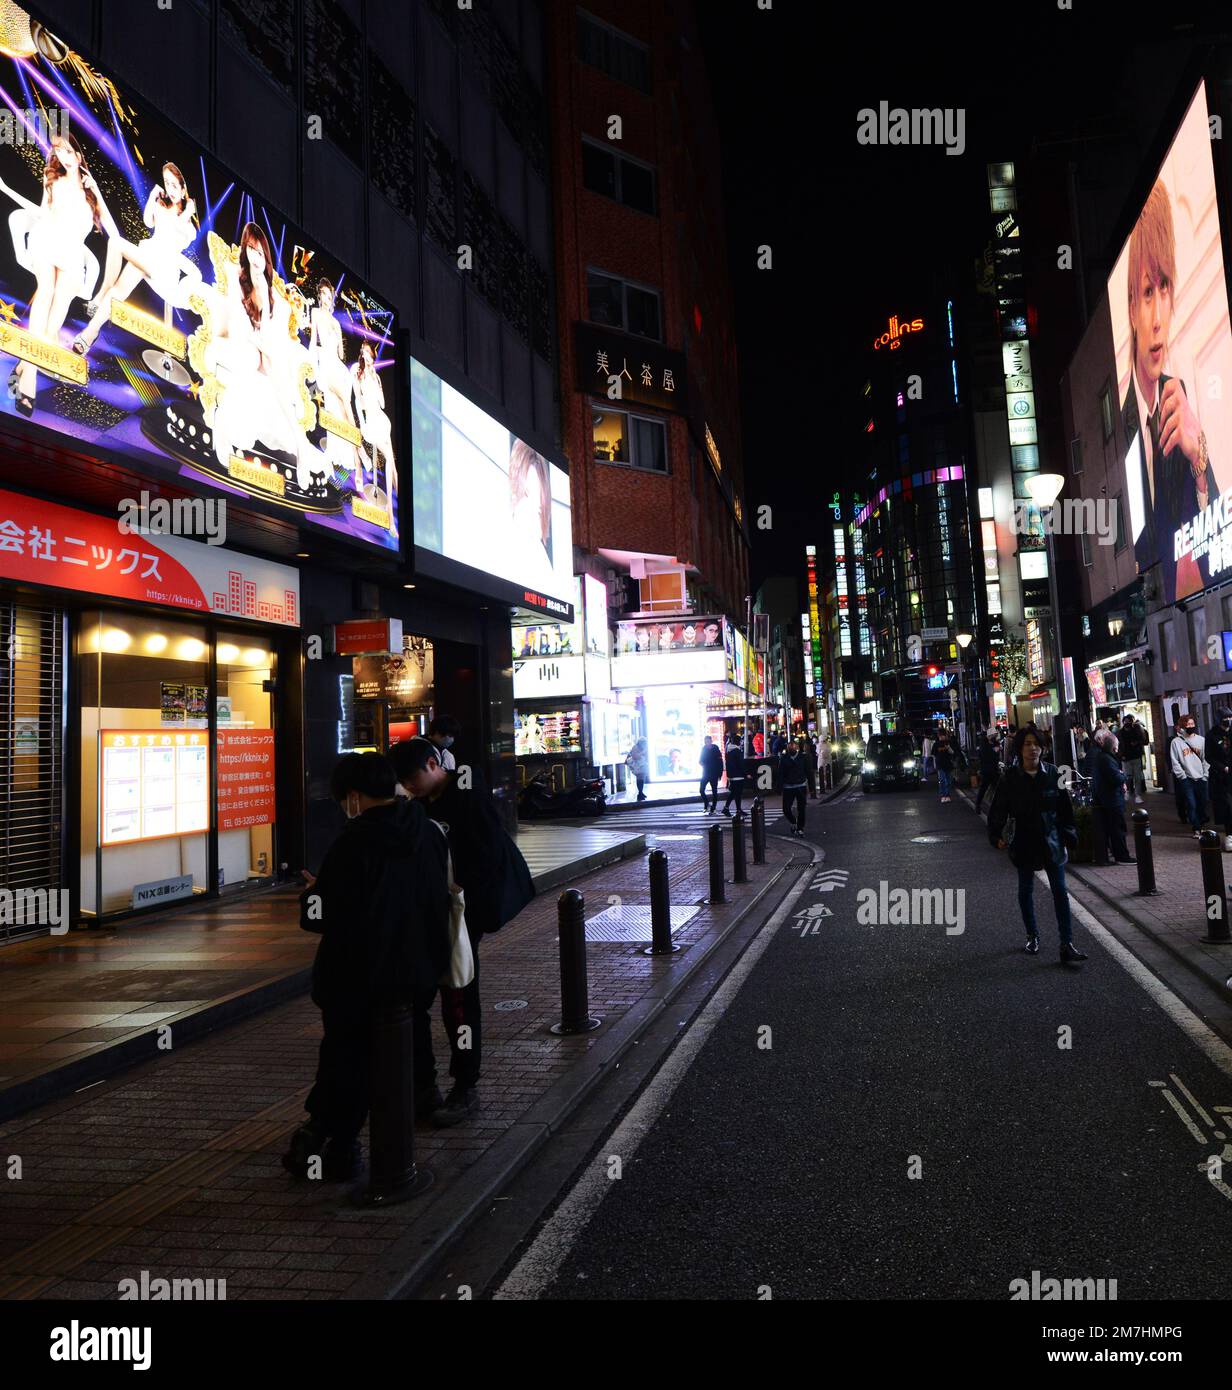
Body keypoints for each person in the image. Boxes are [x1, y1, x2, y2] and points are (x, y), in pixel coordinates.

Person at [283, 752, 451, 1180]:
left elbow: (321, 917)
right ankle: (383, 1131)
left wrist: (313, 893)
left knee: (345, 1057)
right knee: (393, 1055)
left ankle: (339, 1149)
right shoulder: (427, 831)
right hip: (414, 968)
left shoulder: (353, 842)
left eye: (344, 799)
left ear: (354, 797)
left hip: (356, 973)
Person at [389, 737, 535, 1126]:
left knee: (458, 996)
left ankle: (465, 1084)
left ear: (435, 763)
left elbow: (486, 857)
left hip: (459, 915)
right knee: (416, 999)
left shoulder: (468, 795)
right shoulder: (415, 805)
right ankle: (423, 1086)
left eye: (413, 776)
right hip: (424, 914)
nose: (409, 784)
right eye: (402, 780)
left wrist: (463, 908)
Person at [1121, 180, 1214, 605]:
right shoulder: (1122, 427)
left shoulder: (1179, 401)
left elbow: (1215, 548)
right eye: (1145, 292)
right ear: (1129, 309)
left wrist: (1199, 459)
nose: (1159, 316)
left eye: (1164, 288)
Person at [0, 132, 109, 415]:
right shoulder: (53, 181)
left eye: (66, 150)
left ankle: (24, 365)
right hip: (47, 240)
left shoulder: (89, 190)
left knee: (56, 316)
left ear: (77, 153)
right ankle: (29, 384)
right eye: (56, 151)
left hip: (73, 253)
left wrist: (96, 190)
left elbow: (111, 231)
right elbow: (42, 214)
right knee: (46, 292)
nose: (61, 156)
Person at [72, 160, 202, 359]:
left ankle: (99, 296)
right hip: (147, 256)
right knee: (118, 290)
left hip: (163, 269)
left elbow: (176, 238)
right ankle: (89, 334)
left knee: (115, 243)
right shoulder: (161, 205)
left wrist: (186, 213)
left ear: (184, 188)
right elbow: (147, 221)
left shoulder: (189, 226)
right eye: (167, 183)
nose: (171, 189)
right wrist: (152, 197)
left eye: (175, 185)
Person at [987, 727, 1087, 963]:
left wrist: (1069, 835)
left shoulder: (1054, 773)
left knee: (1060, 892)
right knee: (1025, 890)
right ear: (1020, 749)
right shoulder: (1010, 778)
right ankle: (1032, 935)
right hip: (1023, 840)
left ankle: (1066, 943)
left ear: (1043, 748)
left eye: (1036, 744)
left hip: (1051, 840)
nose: (1032, 748)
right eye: (1027, 744)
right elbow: (998, 810)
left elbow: (1065, 811)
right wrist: (996, 835)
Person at [1090, 728, 1135, 865]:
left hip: (1109, 798)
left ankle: (1119, 855)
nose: (1117, 749)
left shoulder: (1103, 757)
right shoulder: (1106, 759)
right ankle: (1122, 856)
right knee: (1117, 829)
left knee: (1115, 828)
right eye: (1116, 746)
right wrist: (1123, 776)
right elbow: (1116, 777)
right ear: (1113, 747)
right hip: (1112, 799)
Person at [1170, 716, 1209, 838]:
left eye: (1192, 724)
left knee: (1202, 803)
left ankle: (1202, 825)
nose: (1191, 727)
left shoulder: (1201, 740)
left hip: (1201, 777)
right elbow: (1175, 761)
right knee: (1191, 804)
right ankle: (1196, 828)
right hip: (1187, 779)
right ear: (1182, 727)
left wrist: (1205, 775)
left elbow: (1206, 759)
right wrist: (1182, 776)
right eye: (1188, 725)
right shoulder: (1176, 742)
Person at [1207, 708, 1232, 853]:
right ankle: (1229, 835)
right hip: (1221, 777)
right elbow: (1209, 757)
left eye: (1230, 716)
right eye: (1225, 717)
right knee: (1228, 807)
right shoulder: (1212, 736)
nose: (1228, 720)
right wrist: (1223, 768)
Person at [780, 741, 808, 837]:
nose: (791, 749)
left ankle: (800, 828)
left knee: (801, 808)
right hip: (788, 786)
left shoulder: (802, 757)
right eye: (789, 747)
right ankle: (793, 821)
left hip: (801, 785)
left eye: (792, 747)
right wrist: (779, 787)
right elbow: (781, 773)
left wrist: (811, 786)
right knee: (786, 808)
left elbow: (808, 771)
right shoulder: (783, 758)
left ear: (796, 747)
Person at [1119, 714, 1150, 804]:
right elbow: (1118, 745)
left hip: (1136, 757)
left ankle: (1137, 795)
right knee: (1128, 777)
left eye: (1129, 721)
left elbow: (1145, 740)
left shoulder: (1137, 731)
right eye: (1126, 722)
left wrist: (1137, 742)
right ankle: (1127, 791)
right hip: (1125, 758)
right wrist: (1121, 755)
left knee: (1138, 777)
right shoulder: (1120, 733)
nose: (1127, 723)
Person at [975, 728, 1001, 813]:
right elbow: (985, 757)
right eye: (993, 735)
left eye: (995, 735)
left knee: (997, 789)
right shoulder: (984, 745)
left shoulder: (995, 744)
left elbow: (996, 757)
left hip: (994, 770)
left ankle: (997, 807)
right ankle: (978, 805)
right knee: (983, 788)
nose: (995, 737)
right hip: (986, 770)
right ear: (989, 736)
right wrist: (994, 752)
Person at [722, 736, 746, 816]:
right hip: (738, 775)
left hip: (732, 775)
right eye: (741, 741)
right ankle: (728, 808)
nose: (742, 742)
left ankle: (737, 809)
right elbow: (741, 764)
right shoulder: (737, 751)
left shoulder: (729, 750)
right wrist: (746, 773)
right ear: (738, 742)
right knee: (737, 793)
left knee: (734, 793)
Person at [698, 735, 723, 813]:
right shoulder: (704, 749)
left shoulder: (715, 748)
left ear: (711, 741)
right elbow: (700, 760)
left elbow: (720, 762)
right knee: (701, 790)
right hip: (705, 773)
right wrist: (702, 763)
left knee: (714, 791)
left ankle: (713, 807)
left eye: (708, 741)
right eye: (706, 742)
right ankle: (706, 804)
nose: (707, 743)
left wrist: (720, 774)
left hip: (714, 773)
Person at [934, 733, 955, 803]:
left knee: (948, 781)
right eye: (941, 735)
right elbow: (934, 754)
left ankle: (947, 795)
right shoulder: (936, 744)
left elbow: (952, 752)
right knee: (942, 780)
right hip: (940, 764)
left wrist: (948, 747)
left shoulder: (949, 743)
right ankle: (943, 796)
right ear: (939, 736)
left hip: (948, 764)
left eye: (943, 735)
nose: (942, 737)